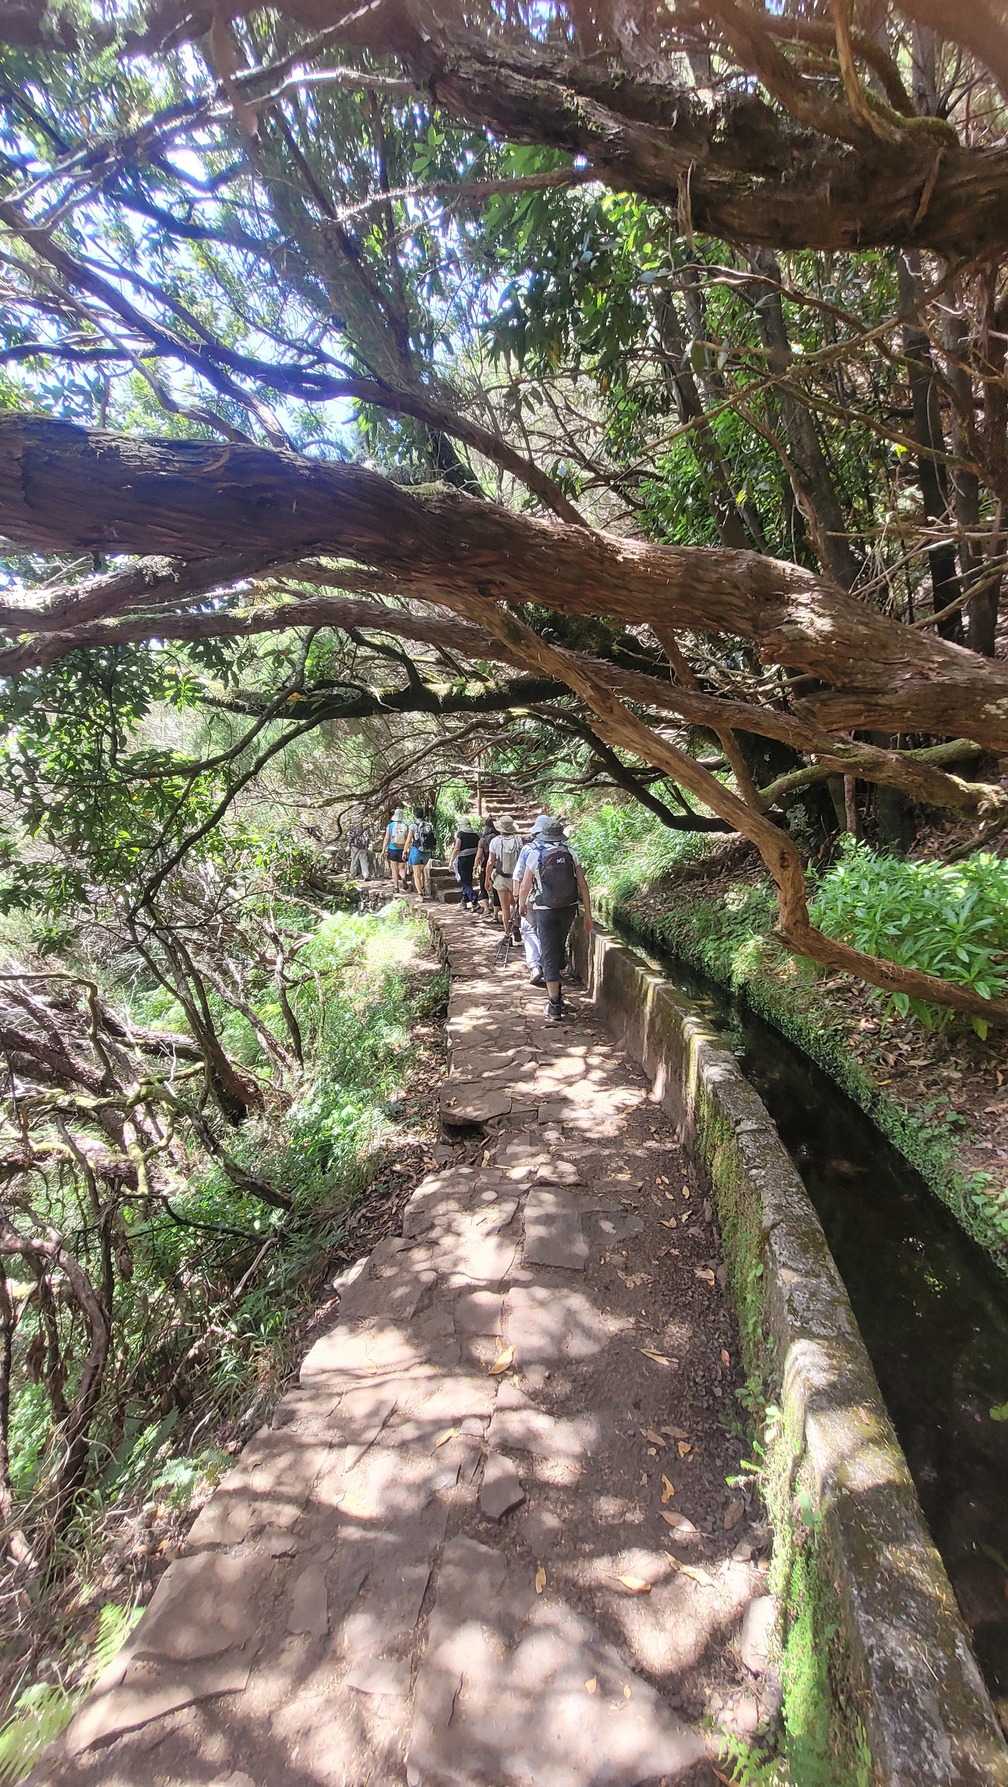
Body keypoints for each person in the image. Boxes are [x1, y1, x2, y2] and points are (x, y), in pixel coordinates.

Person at [517, 814, 592, 1022]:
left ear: (543, 834)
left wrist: (521, 905)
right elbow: (583, 885)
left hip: (545, 909)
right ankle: (557, 984)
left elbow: (524, 886)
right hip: (569, 908)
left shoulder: (535, 854)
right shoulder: (570, 853)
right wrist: (589, 915)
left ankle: (554, 1005)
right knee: (558, 946)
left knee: (548, 953)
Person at [487, 814, 522, 938]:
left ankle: (508, 933)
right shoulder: (518, 840)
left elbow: (491, 861)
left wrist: (487, 878)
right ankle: (516, 927)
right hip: (515, 877)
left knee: (505, 907)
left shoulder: (495, 841)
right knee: (514, 904)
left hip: (501, 877)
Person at [449, 815, 481, 911]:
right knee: (468, 880)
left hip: (463, 859)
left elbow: (456, 848)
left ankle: (474, 899)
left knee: (464, 881)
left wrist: (451, 861)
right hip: (473, 859)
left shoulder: (461, 834)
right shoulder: (475, 835)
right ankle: (464, 901)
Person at [404, 806, 436, 898]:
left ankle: (420, 896)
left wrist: (404, 851)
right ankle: (424, 890)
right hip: (427, 852)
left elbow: (408, 841)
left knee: (416, 875)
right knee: (421, 871)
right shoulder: (428, 825)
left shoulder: (413, 826)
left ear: (414, 815)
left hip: (416, 851)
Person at [473, 816, 498, 919]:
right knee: (496, 889)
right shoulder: (498, 838)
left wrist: (475, 867)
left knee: (483, 886)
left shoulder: (483, 840)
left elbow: (479, 856)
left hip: (485, 865)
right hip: (498, 866)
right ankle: (496, 913)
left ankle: (486, 909)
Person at [382, 807, 409, 893]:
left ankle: (396, 887)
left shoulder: (390, 826)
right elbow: (408, 840)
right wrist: (407, 850)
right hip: (402, 850)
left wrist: (383, 850)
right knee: (401, 868)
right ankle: (403, 878)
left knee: (394, 868)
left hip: (392, 849)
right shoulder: (406, 826)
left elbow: (387, 838)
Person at [347, 814, 371, 882]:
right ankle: (366, 875)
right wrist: (367, 845)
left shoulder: (353, 828)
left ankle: (352, 875)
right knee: (364, 861)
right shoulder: (365, 828)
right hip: (363, 846)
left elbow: (350, 837)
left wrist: (348, 846)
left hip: (355, 846)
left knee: (354, 861)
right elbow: (368, 837)